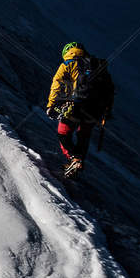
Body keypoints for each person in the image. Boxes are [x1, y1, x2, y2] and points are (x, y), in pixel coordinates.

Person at [44, 41, 114, 178]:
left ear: (67, 52)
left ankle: (74, 159)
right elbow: (110, 90)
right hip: (96, 109)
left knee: (63, 132)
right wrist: (107, 111)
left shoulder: (68, 63)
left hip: (76, 105)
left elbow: (57, 83)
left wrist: (51, 105)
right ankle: (78, 161)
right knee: (84, 135)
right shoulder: (99, 66)